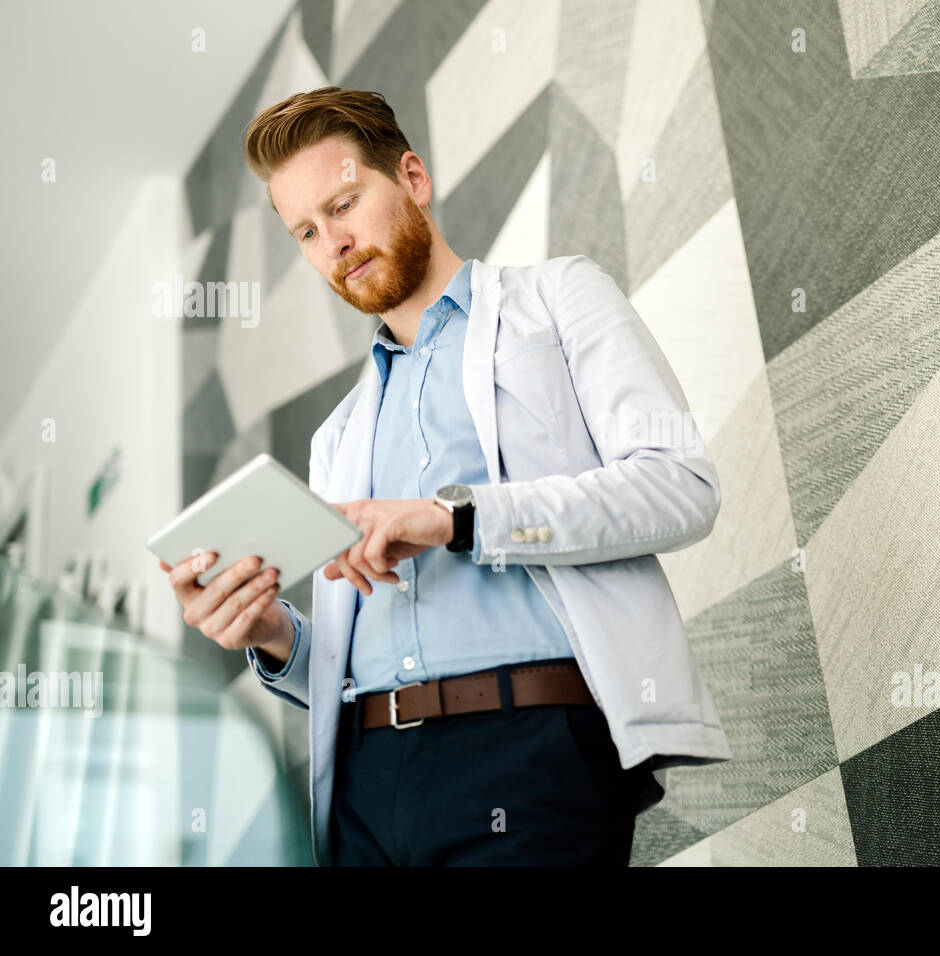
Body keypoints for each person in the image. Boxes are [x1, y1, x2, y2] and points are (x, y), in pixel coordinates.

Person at [157, 86, 732, 866]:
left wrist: (454, 518)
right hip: (365, 787)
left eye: (346, 202)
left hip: (529, 753)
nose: (334, 242)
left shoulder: (559, 300)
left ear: (414, 178)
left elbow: (679, 487)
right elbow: (351, 646)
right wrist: (271, 636)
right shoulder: (339, 438)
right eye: (306, 230)